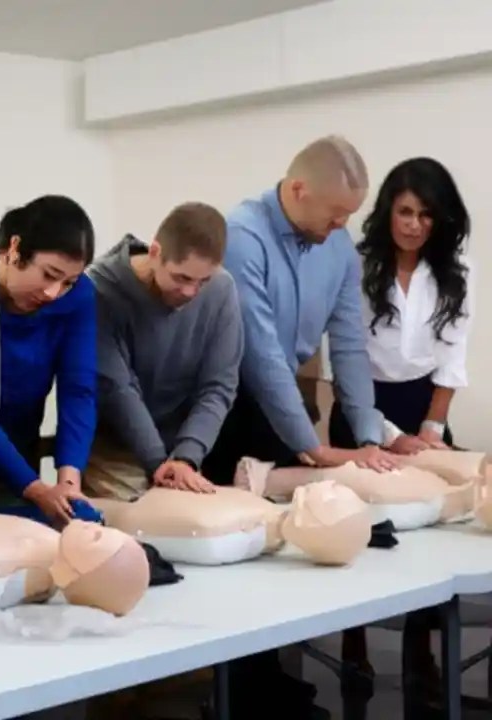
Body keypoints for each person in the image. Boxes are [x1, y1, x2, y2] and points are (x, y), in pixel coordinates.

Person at [202, 135, 389, 719]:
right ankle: (242, 696)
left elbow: (350, 346)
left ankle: (278, 683)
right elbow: (257, 352)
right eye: (336, 212)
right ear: (297, 189)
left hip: (286, 401)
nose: (342, 224)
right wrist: (311, 447)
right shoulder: (242, 235)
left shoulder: (339, 248)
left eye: (350, 215)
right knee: (245, 551)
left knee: (295, 546)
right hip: (229, 403)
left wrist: (367, 437)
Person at [342, 156, 473, 696]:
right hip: (361, 402)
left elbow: (451, 360)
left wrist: (431, 433)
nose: (414, 224)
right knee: (359, 523)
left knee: (440, 519)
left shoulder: (456, 272)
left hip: (426, 404)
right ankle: (352, 642)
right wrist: (388, 433)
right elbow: (342, 360)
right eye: (405, 211)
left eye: (426, 214)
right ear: (387, 212)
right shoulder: (355, 265)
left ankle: (421, 647)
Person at [0, 195, 97, 527]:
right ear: (14, 248)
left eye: (68, 282)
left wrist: (68, 482)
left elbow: (78, 389)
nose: (54, 293)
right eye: (49, 274)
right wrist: (35, 488)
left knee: (71, 523)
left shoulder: (79, 298)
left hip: (19, 450)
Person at [86, 202, 241, 501]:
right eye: (181, 278)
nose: (191, 292)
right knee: (135, 528)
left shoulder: (221, 289)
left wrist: (186, 456)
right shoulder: (101, 289)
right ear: (155, 252)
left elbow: (219, 385)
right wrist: (159, 461)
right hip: (115, 450)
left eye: (202, 281)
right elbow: (117, 388)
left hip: (183, 448)